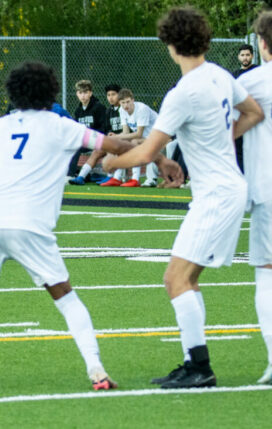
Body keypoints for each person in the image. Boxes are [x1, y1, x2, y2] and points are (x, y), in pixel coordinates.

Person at [0, 61, 182, 390]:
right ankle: (96, 370)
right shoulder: (61, 125)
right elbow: (116, 146)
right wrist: (159, 158)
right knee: (66, 297)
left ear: (12, 93)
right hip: (30, 225)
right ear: (51, 92)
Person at [103, 6, 263, 389]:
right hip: (224, 187)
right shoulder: (220, 76)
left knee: (175, 278)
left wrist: (111, 163)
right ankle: (195, 362)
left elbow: (144, 153)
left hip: (216, 195)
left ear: (171, 45)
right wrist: (217, 142)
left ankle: (199, 367)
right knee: (186, 279)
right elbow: (253, 112)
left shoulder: (182, 93)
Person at [236, 11, 272, 384]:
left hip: (268, 188)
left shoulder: (252, 82)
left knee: (266, 276)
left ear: (261, 43)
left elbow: (220, 121)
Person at [101, 88, 160, 187]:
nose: (126, 105)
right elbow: (125, 132)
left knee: (134, 142)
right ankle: (116, 177)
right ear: (119, 103)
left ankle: (135, 179)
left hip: (159, 138)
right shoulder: (122, 110)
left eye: (128, 102)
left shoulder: (142, 109)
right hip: (146, 138)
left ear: (133, 100)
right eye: (123, 102)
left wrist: (118, 137)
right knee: (119, 142)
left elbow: (138, 134)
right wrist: (116, 137)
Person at [67, 80, 106, 185]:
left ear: (90, 93)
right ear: (77, 94)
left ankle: (70, 175)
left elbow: (104, 128)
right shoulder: (78, 111)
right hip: (85, 140)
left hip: (98, 139)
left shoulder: (99, 107)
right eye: (80, 93)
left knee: (77, 146)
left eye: (85, 92)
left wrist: (89, 136)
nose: (83, 95)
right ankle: (70, 173)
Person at [232, 44, 258, 173]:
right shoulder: (235, 75)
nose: (245, 58)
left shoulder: (257, 72)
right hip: (239, 117)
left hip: (255, 117)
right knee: (238, 150)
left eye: (247, 55)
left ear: (252, 56)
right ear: (238, 57)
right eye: (242, 55)